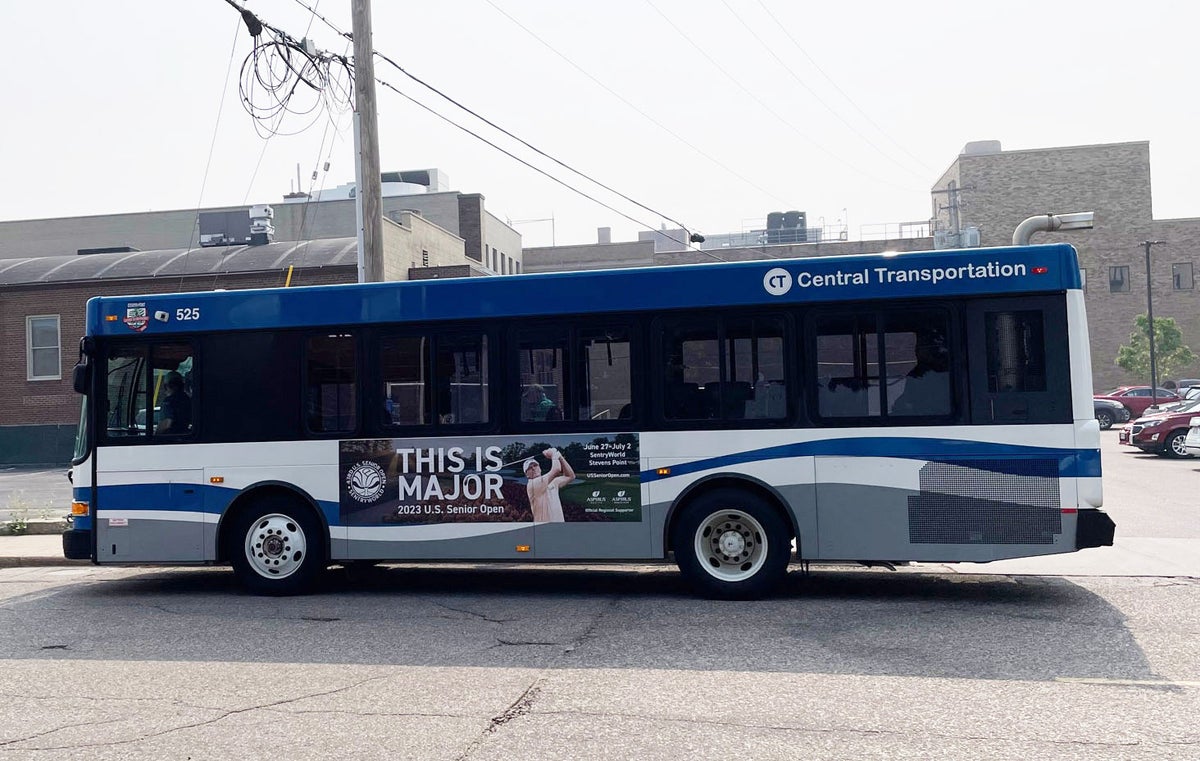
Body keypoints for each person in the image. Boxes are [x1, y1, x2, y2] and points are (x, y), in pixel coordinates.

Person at [891, 332, 950, 416]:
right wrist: (898, 407)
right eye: (917, 348)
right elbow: (907, 397)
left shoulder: (945, 373)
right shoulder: (915, 374)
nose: (917, 352)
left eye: (922, 347)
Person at [524, 447, 574, 522]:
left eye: (535, 465)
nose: (533, 468)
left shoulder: (553, 482)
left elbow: (570, 476)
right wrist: (554, 454)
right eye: (529, 468)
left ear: (540, 468)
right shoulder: (532, 485)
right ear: (526, 475)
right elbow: (556, 469)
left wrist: (560, 457)